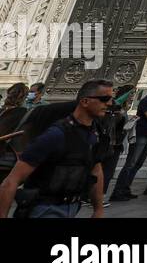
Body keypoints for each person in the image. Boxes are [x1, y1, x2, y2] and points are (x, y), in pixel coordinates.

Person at [0, 78, 111, 219]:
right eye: (104, 99)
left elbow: (96, 170)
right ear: (85, 101)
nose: (109, 103)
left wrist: (98, 209)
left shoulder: (93, 135)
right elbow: (11, 181)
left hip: (72, 207)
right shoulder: (55, 135)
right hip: (44, 208)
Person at [109, 77, 147, 201]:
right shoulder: (146, 100)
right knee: (131, 163)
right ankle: (117, 192)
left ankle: (126, 189)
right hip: (141, 135)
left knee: (138, 163)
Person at [0, 83, 29, 183]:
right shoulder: (4, 110)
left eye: (11, 94)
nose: (8, 96)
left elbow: (2, 131)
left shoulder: (19, 111)